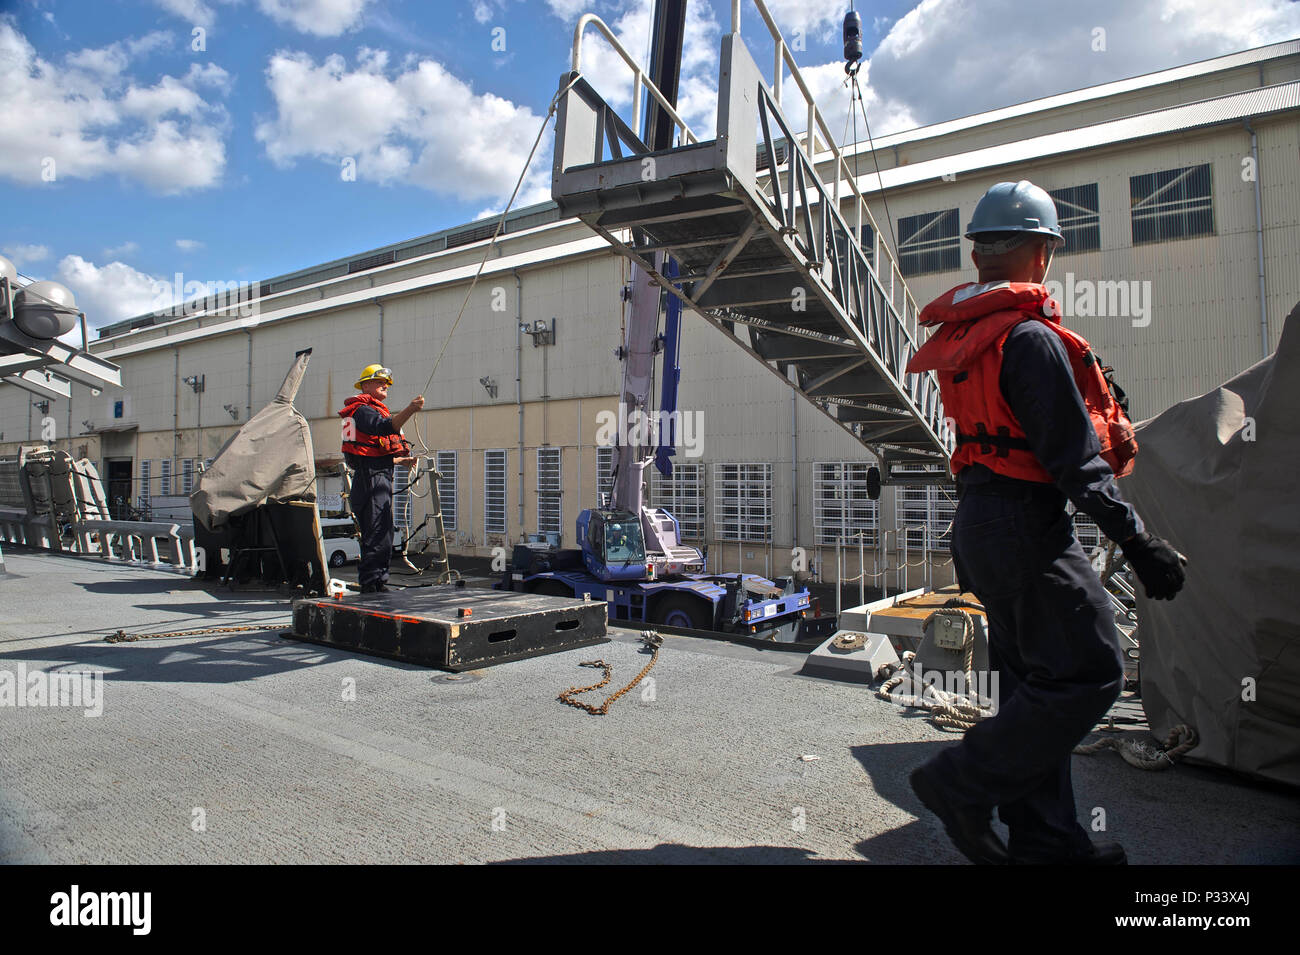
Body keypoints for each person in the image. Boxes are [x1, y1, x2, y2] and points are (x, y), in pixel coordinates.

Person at [904, 181, 1187, 865]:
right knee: (1090, 669)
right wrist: (1138, 541)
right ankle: (960, 783)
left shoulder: (971, 337)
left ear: (978, 253)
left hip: (981, 522)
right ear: (1038, 251)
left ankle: (1047, 844)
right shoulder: (1029, 338)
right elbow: (1074, 462)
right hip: (1024, 528)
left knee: (1034, 683)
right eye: (1050, 247)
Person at [338, 364, 424, 593]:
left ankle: (377, 582)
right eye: (379, 381)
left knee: (383, 534)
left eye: (386, 382)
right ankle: (372, 584)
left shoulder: (365, 410)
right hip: (371, 480)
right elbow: (385, 427)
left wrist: (400, 461)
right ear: (365, 385)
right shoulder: (363, 410)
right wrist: (411, 409)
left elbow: (370, 455)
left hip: (374, 476)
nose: (385, 385)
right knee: (377, 533)